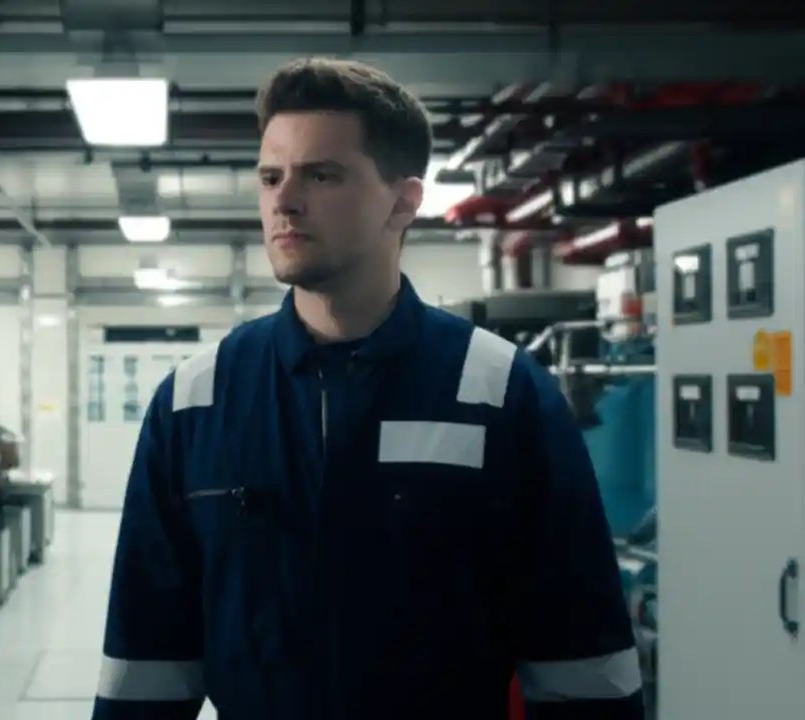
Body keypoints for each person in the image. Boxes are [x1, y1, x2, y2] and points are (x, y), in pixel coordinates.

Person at [91, 57, 644, 719]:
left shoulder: (500, 394)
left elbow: (581, 666)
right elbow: (146, 667)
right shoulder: (196, 403)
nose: (284, 200)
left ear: (404, 202)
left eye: (321, 175)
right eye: (271, 176)